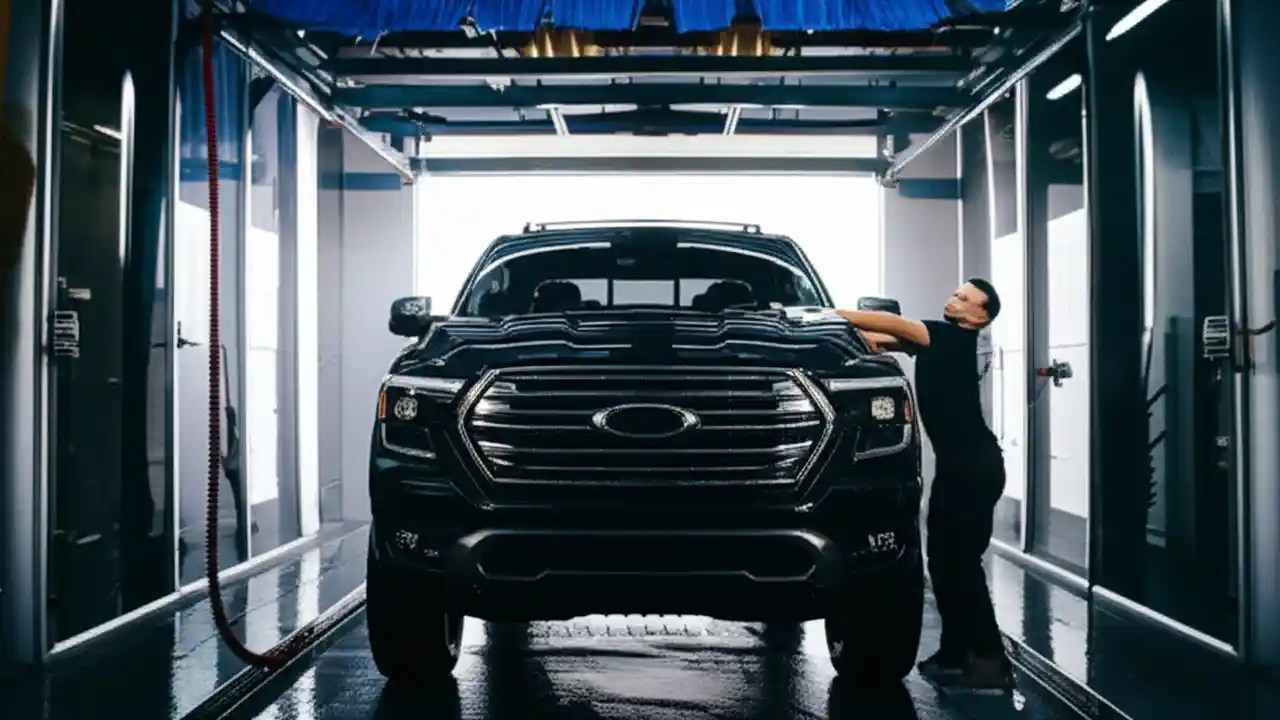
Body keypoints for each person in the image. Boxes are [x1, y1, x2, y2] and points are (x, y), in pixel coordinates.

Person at [835, 279, 1013, 692]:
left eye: (966, 299)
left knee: (960, 565)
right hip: (961, 468)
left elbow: (886, 322)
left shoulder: (943, 334)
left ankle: (990, 659)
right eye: (955, 292)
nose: (954, 297)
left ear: (981, 317)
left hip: (973, 469)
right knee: (945, 564)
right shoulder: (938, 342)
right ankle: (953, 655)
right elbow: (878, 338)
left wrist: (824, 314)